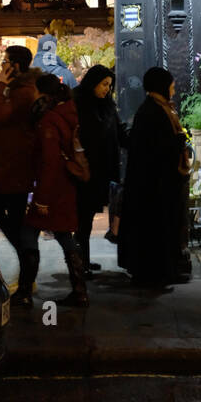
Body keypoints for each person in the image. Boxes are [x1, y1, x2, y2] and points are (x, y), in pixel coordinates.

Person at [14, 75, 88, 308]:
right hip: (66, 186)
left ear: (42, 93)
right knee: (65, 235)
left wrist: (42, 198)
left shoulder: (49, 120)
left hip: (52, 188)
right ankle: (79, 290)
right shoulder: (69, 112)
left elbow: (49, 161)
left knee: (28, 234)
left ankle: (25, 291)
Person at [117, 67, 192, 288]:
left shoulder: (158, 108)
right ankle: (153, 273)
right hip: (152, 185)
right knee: (154, 229)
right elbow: (153, 149)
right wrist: (177, 143)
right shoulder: (152, 111)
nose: (174, 89)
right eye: (171, 86)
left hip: (156, 183)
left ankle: (161, 270)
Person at [0, 45, 38, 269]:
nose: (2, 66)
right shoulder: (20, 88)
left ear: (15, 65)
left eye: (5, 62)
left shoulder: (22, 91)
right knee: (10, 214)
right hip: (10, 164)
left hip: (14, 165)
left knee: (3, 212)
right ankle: (26, 262)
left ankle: (27, 258)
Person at [73, 63, 128, 272]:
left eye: (109, 85)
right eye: (104, 84)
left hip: (101, 170)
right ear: (93, 83)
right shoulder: (79, 102)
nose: (106, 89)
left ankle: (83, 261)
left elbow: (119, 131)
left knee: (86, 218)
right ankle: (79, 264)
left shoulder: (106, 105)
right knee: (83, 220)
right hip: (85, 170)